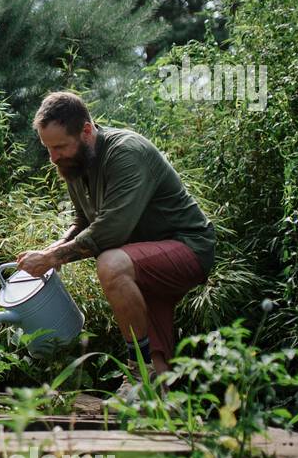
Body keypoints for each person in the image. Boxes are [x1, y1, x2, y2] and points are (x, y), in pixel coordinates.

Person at [14, 91, 215, 396]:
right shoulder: (75, 164)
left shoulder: (126, 152)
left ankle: (137, 369)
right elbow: (82, 224)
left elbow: (109, 232)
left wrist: (52, 259)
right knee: (156, 378)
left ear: (86, 130)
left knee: (110, 263)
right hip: (142, 260)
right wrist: (48, 253)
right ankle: (154, 397)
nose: (53, 157)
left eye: (59, 147)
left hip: (187, 247)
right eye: (48, 149)